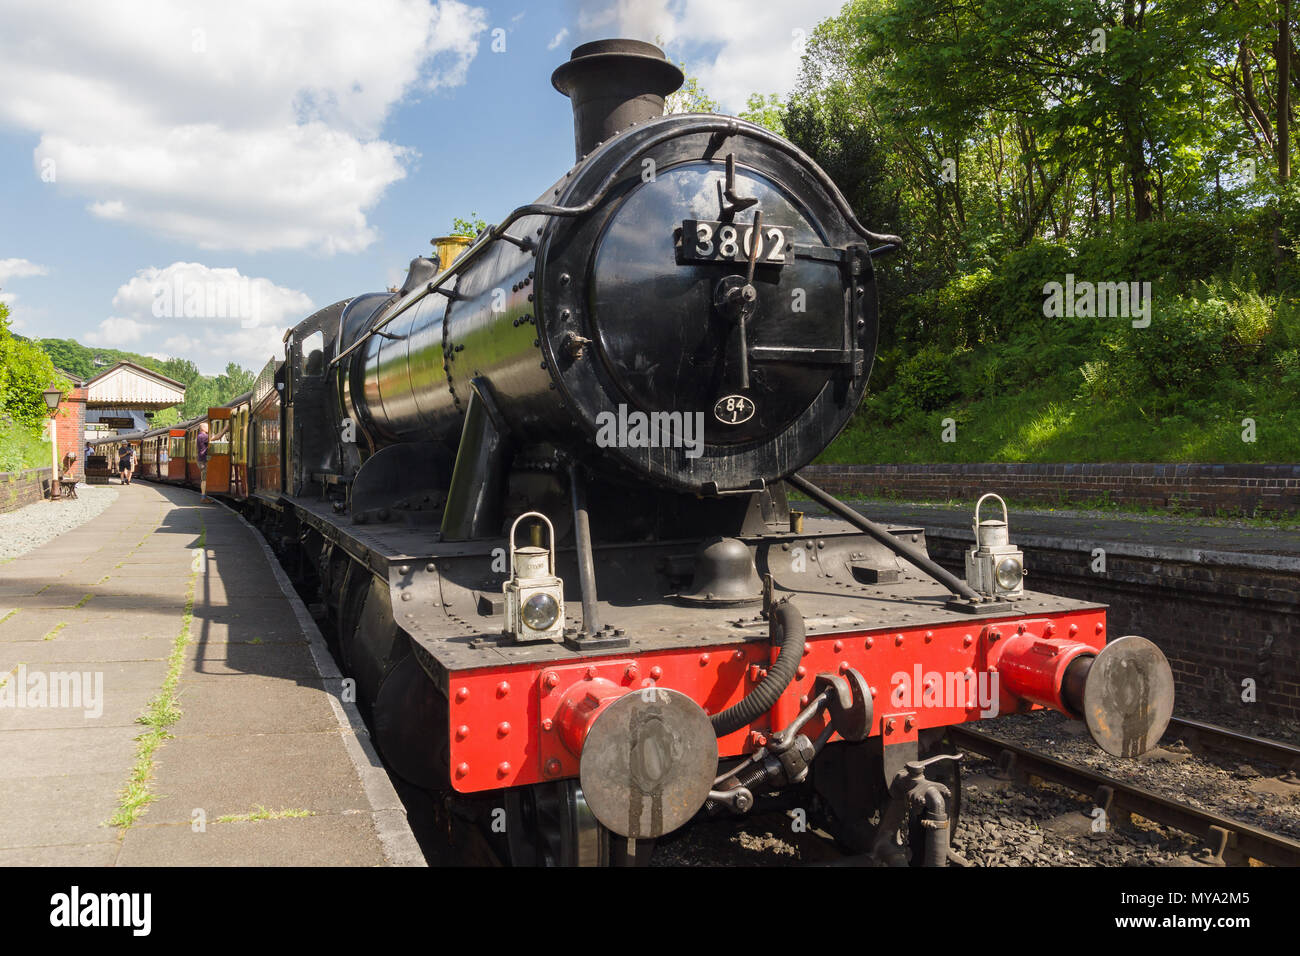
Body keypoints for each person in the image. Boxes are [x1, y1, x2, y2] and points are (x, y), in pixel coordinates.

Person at [197, 422, 211, 502]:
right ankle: (203, 498)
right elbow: (216, 438)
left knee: (204, 479)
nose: (208, 428)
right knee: (204, 480)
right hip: (203, 460)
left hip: (201, 460)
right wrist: (225, 429)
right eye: (207, 427)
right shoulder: (203, 436)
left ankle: (204, 497)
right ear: (203, 428)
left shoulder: (200, 436)